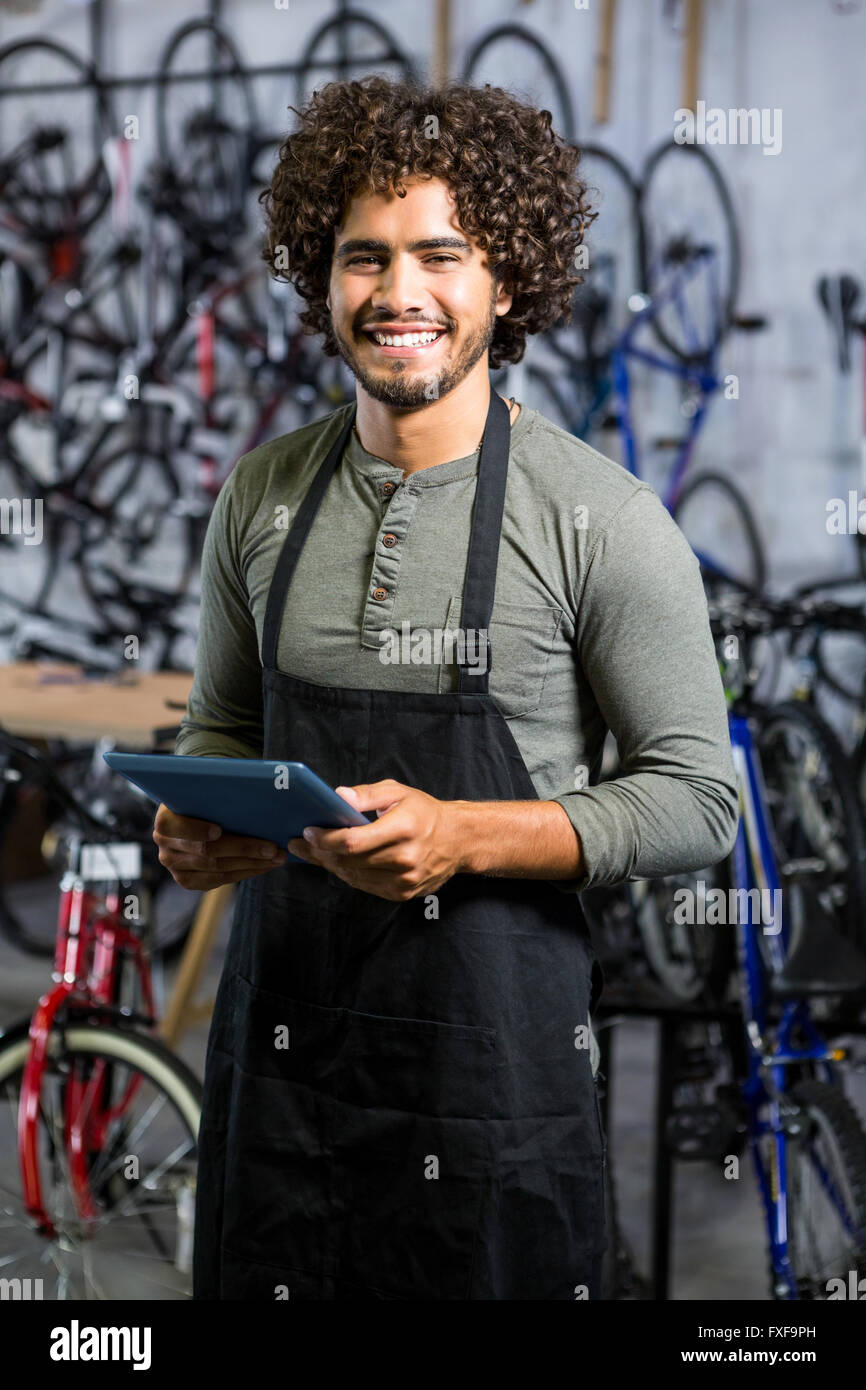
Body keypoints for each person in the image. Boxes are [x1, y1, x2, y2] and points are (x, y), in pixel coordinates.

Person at [155, 76, 739, 1300]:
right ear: (323, 280)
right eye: (363, 257)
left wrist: (463, 834)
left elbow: (696, 801)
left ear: (505, 281)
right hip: (283, 1086)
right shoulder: (259, 498)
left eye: (440, 254)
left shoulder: (602, 522)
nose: (398, 292)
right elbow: (220, 729)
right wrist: (199, 822)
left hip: (492, 1102)